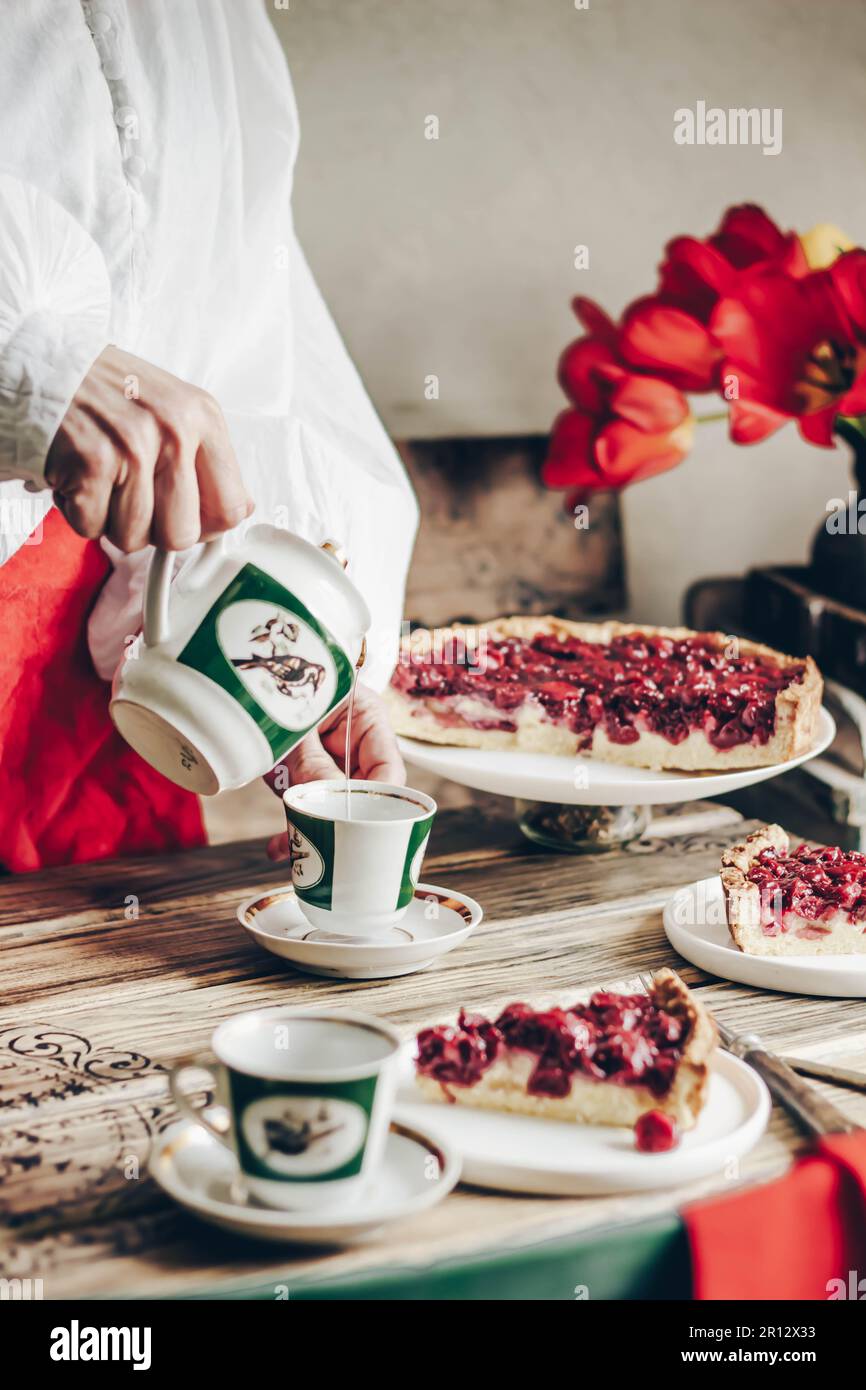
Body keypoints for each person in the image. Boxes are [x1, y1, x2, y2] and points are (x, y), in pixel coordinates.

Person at [0, 1, 415, 872]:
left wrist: (278, 646)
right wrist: (24, 360)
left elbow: (244, 307)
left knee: (97, 1000)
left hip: (84, 684)